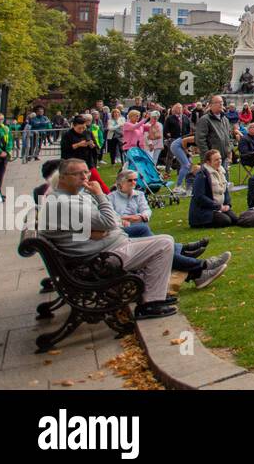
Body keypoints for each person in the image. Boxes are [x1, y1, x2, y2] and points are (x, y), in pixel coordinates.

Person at [39, 158, 179, 318]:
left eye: (86, 172)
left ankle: (154, 293)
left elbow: (110, 221)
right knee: (164, 244)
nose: (85, 177)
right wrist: (99, 194)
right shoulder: (65, 202)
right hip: (98, 260)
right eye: (77, 174)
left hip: (103, 250)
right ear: (62, 177)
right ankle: (151, 303)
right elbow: (111, 221)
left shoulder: (66, 197)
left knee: (160, 240)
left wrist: (101, 228)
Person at [111, 168, 230, 285]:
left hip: (139, 232)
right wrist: (125, 220)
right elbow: (111, 218)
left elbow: (146, 211)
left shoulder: (139, 194)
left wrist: (141, 217)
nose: (134, 183)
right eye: (130, 181)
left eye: (135, 180)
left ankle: (191, 264)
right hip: (128, 235)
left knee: (157, 242)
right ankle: (198, 262)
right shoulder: (111, 198)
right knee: (156, 243)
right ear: (120, 183)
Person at [60, 114, 110, 193]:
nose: (82, 130)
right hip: (73, 163)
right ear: (73, 125)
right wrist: (78, 145)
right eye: (79, 128)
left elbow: (95, 147)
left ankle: (109, 196)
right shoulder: (67, 135)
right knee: (74, 184)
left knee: (98, 181)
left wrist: (92, 145)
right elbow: (65, 149)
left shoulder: (88, 132)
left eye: (84, 127)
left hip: (88, 162)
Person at [189, 150, 240, 228]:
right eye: (216, 160)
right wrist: (218, 207)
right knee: (226, 221)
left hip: (220, 207)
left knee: (235, 219)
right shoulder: (202, 175)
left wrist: (227, 204)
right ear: (208, 162)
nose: (219, 161)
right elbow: (199, 196)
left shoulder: (222, 172)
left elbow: (225, 191)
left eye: (220, 159)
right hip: (204, 210)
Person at [193, 96, 234, 176]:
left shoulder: (225, 119)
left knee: (224, 184)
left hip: (224, 158)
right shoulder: (205, 120)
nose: (221, 104)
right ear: (210, 105)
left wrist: (229, 150)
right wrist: (208, 156)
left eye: (222, 102)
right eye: (217, 102)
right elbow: (200, 140)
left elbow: (230, 137)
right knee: (212, 185)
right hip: (211, 160)